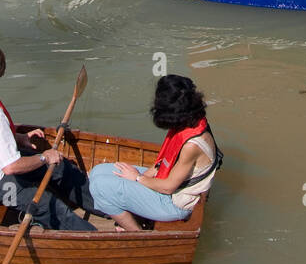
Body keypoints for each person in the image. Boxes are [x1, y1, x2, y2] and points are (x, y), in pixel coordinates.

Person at [0, 43, 97, 231]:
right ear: (0, 71)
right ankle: (94, 239)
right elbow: (11, 167)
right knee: (46, 204)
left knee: (60, 169)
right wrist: (44, 157)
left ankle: (103, 206)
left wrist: (18, 138)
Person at [88, 74, 221, 232]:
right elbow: (163, 163)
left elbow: (168, 188)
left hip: (176, 204)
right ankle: (134, 210)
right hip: (169, 184)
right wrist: (140, 177)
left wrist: (137, 178)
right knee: (97, 171)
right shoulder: (191, 119)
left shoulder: (191, 146)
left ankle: (136, 233)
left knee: (99, 186)